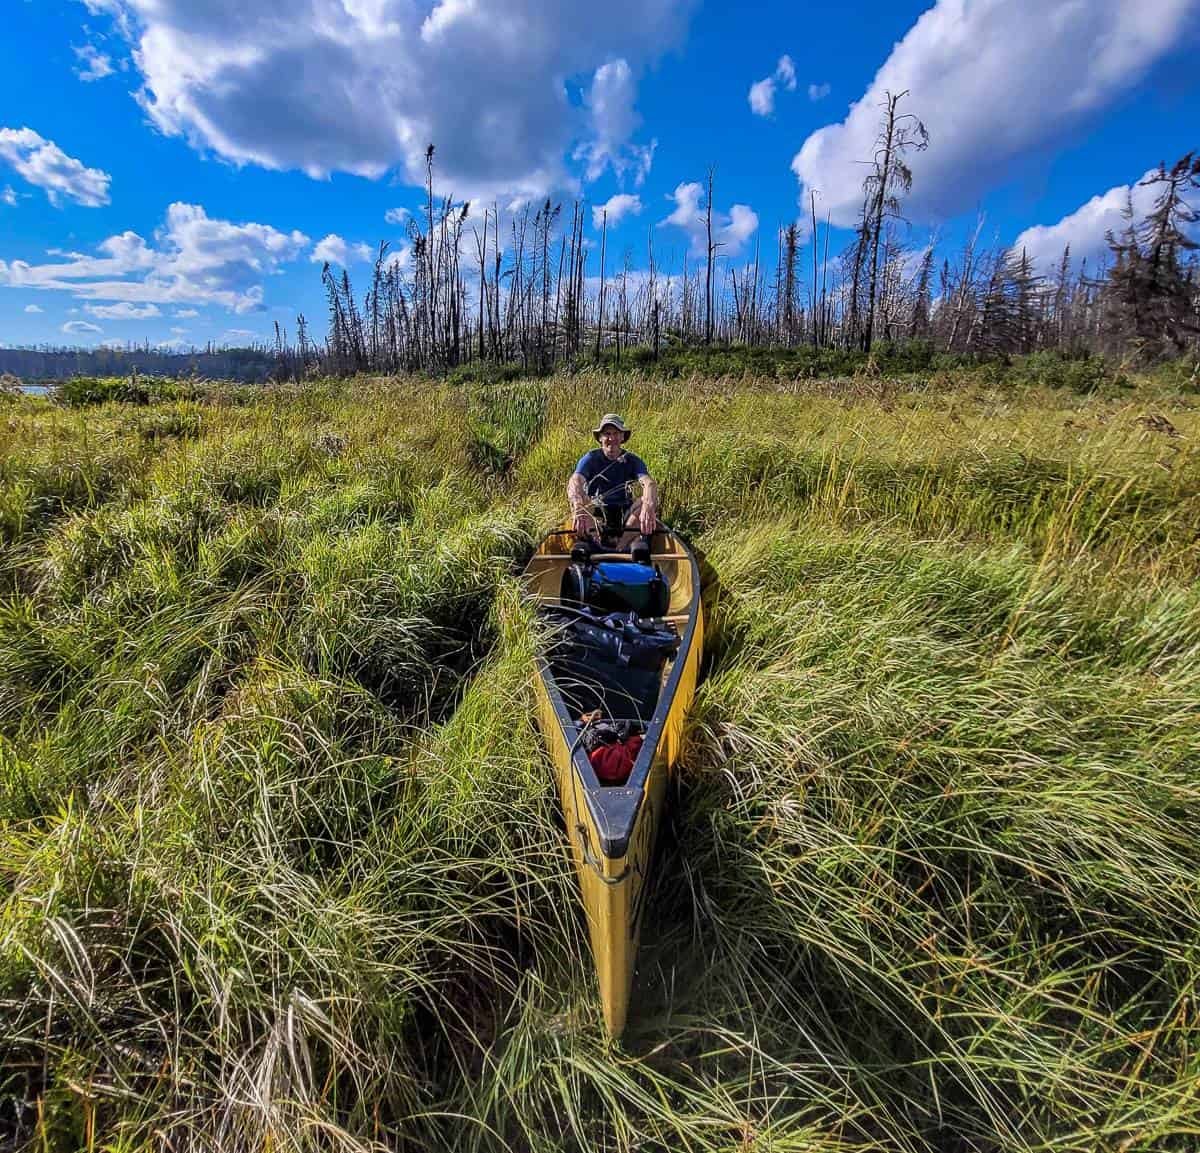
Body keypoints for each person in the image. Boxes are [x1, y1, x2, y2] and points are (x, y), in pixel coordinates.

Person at [568, 414, 658, 547]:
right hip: (597, 512)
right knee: (582, 501)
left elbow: (649, 483)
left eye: (616, 433)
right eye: (607, 434)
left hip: (624, 514)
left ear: (622, 437)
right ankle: (596, 544)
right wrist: (577, 505)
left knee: (646, 500)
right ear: (600, 438)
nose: (611, 438)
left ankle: (620, 547)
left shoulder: (631, 460)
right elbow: (575, 481)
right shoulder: (591, 458)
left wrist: (648, 505)